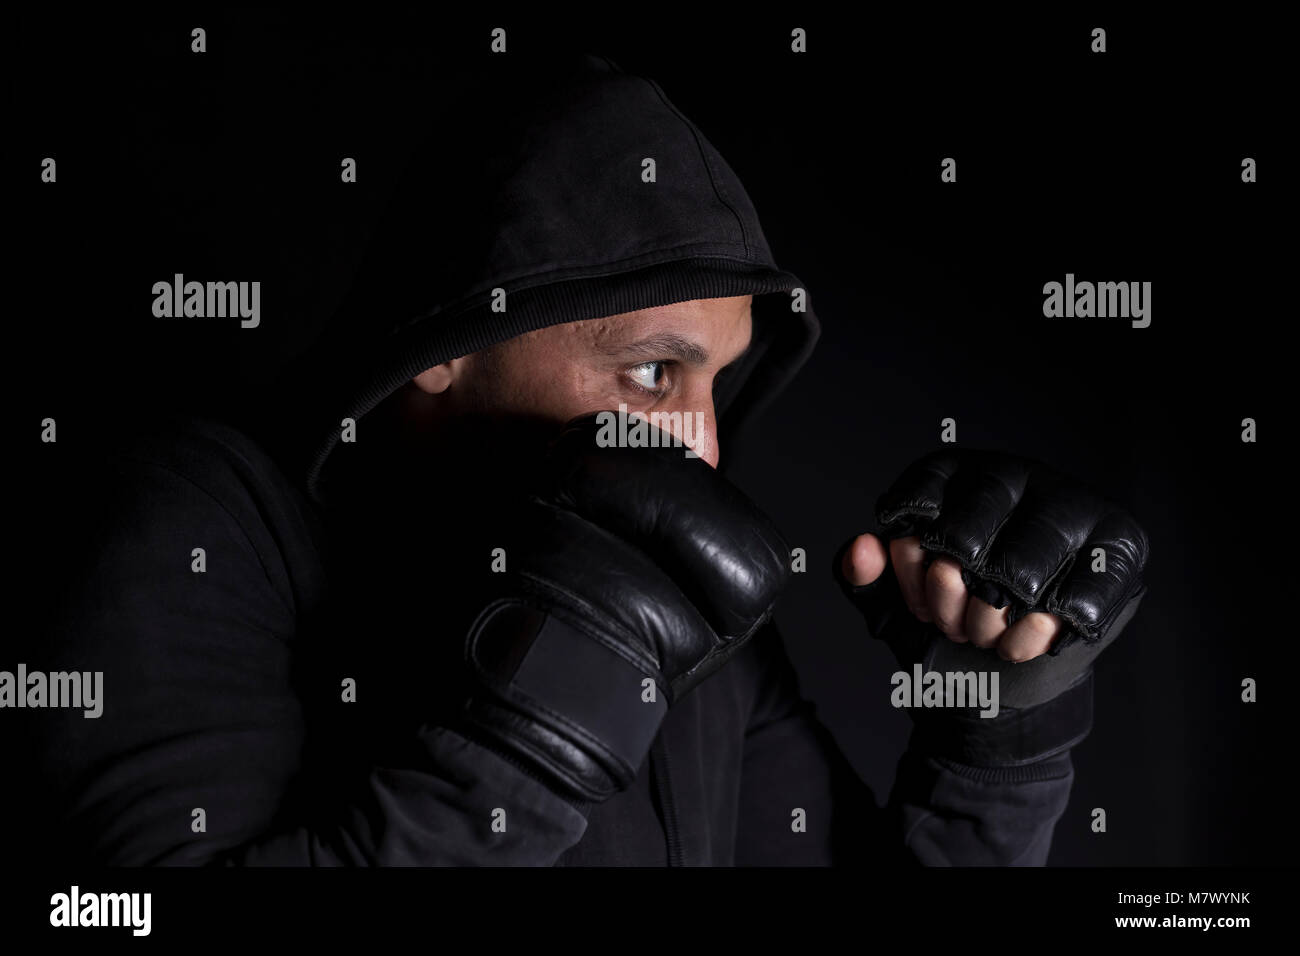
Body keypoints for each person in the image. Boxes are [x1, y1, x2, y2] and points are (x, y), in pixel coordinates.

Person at [16, 54, 1147, 866]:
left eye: (718, 382)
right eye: (654, 372)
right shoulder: (209, 526)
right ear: (445, 350)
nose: (700, 445)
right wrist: (541, 725)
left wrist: (993, 738)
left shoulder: (693, 629)